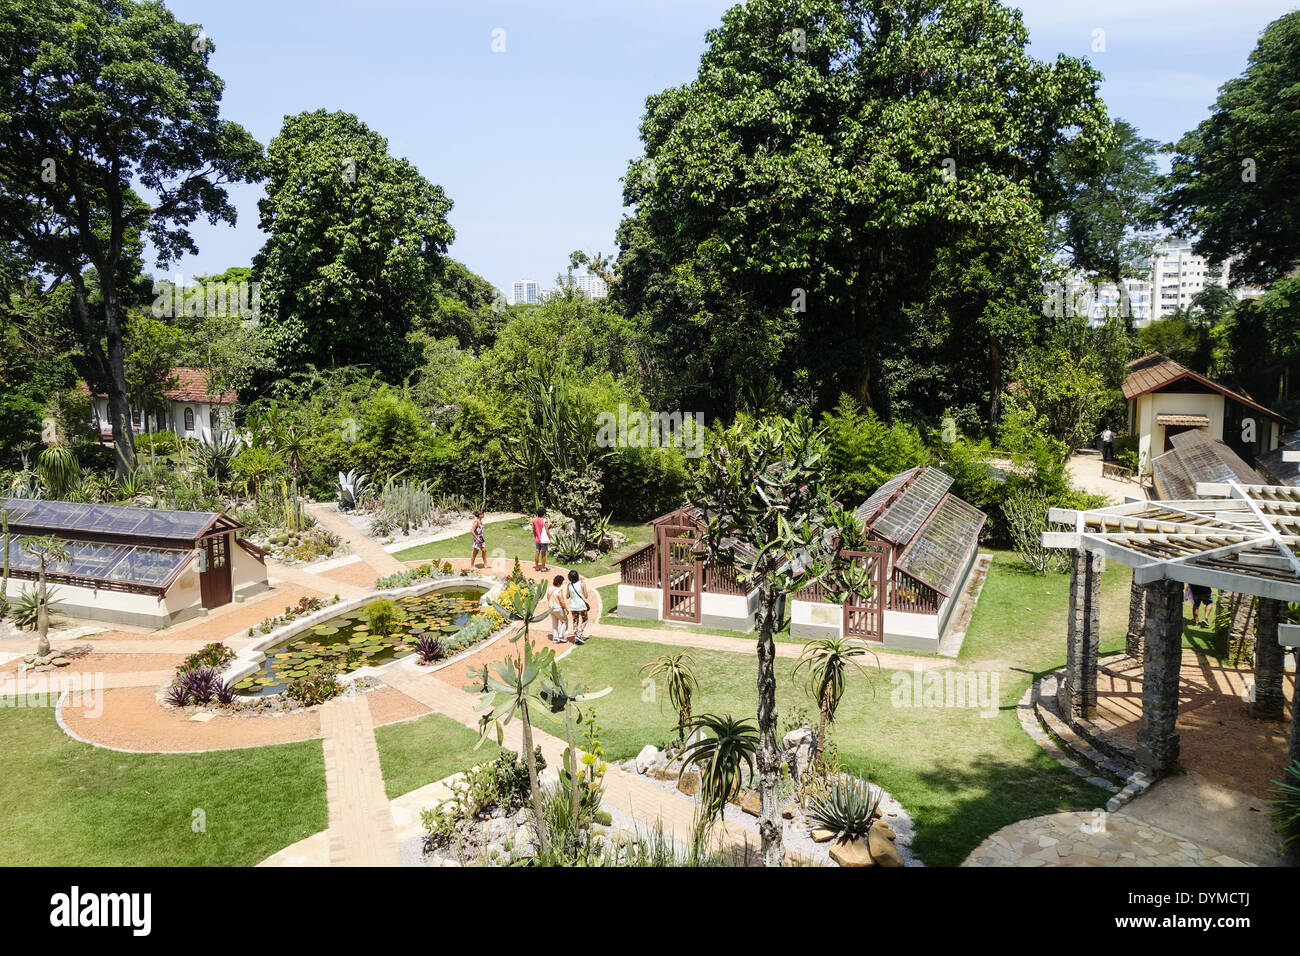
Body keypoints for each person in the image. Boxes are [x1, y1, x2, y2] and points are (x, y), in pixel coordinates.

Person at [545, 573, 570, 643]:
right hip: (558, 608)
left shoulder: (549, 588)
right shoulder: (559, 590)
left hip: (551, 609)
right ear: (559, 583)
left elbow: (548, 597)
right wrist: (566, 609)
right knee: (565, 621)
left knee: (554, 623)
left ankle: (555, 638)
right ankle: (561, 636)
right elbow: (562, 601)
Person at [567, 569, 589, 645]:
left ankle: (576, 636)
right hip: (582, 606)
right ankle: (579, 634)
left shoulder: (569, 585)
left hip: (573, 607)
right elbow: (586, 596)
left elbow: (567, 596)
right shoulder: (582, 584)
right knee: (585, 620)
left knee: (575, 621)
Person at [532, 507, 550, 572]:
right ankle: (543, 568)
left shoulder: (534, 520)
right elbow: (547, 531)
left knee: (537, 552)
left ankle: (537, 567)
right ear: (544, 513)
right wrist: (549, 538)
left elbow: (534, 530)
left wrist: (535, 537)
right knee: (543, 553)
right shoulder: (545, 521)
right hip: (544, 539)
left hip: (537, 539)